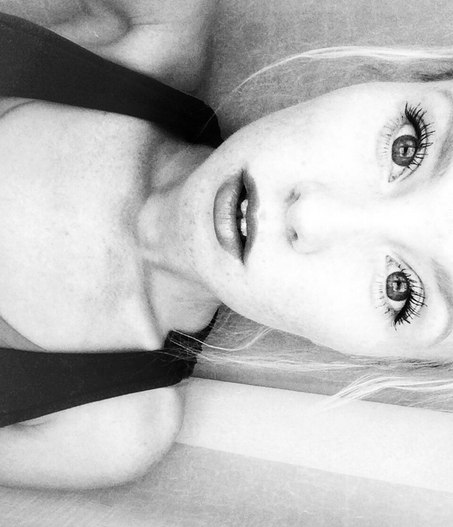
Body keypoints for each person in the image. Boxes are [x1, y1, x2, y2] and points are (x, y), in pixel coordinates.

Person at [1, 1, 453, 489]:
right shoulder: (154, 20)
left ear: (384, 360)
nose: (311, 215)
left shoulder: (99, 432)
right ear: (409, 77)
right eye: (407, 147)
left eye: (400, 290)